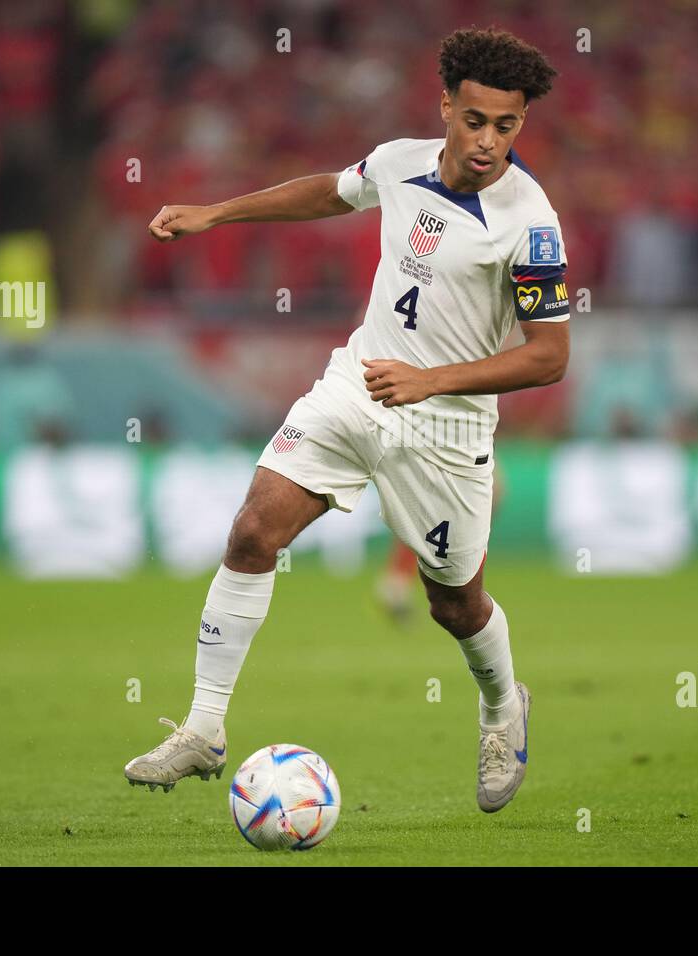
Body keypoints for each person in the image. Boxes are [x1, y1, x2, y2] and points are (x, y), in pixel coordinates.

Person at [125, 27, 569, 813]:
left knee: (453, 604)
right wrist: (216, 214)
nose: (488, 141)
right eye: (475, 120)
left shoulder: (529, 222)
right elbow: (330, 190)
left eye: (508, 126)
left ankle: (503, 707)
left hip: (450, 428)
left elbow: (549, 355)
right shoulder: (400, 161)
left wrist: (431, 380)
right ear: (446, 107)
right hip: (359, 386)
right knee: (253, 531)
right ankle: (203, 726)